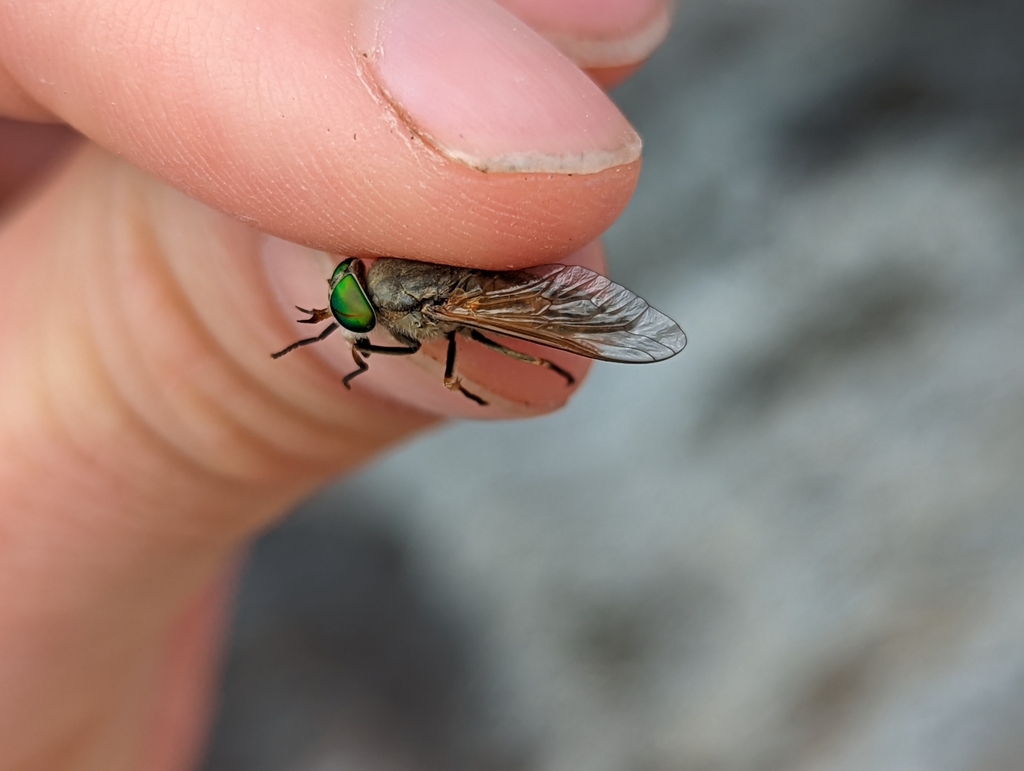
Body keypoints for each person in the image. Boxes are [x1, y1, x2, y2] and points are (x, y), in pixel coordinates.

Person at [0, 0, 671, 767]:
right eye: (344, 292)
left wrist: (356, 353)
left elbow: (422, 316)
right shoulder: (375, 282)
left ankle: (541, 355)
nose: (337, 303)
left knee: (489, 336)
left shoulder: (390, 303)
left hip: (486, 279)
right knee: (481, 332)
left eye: (343, 297)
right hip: (485, 256)